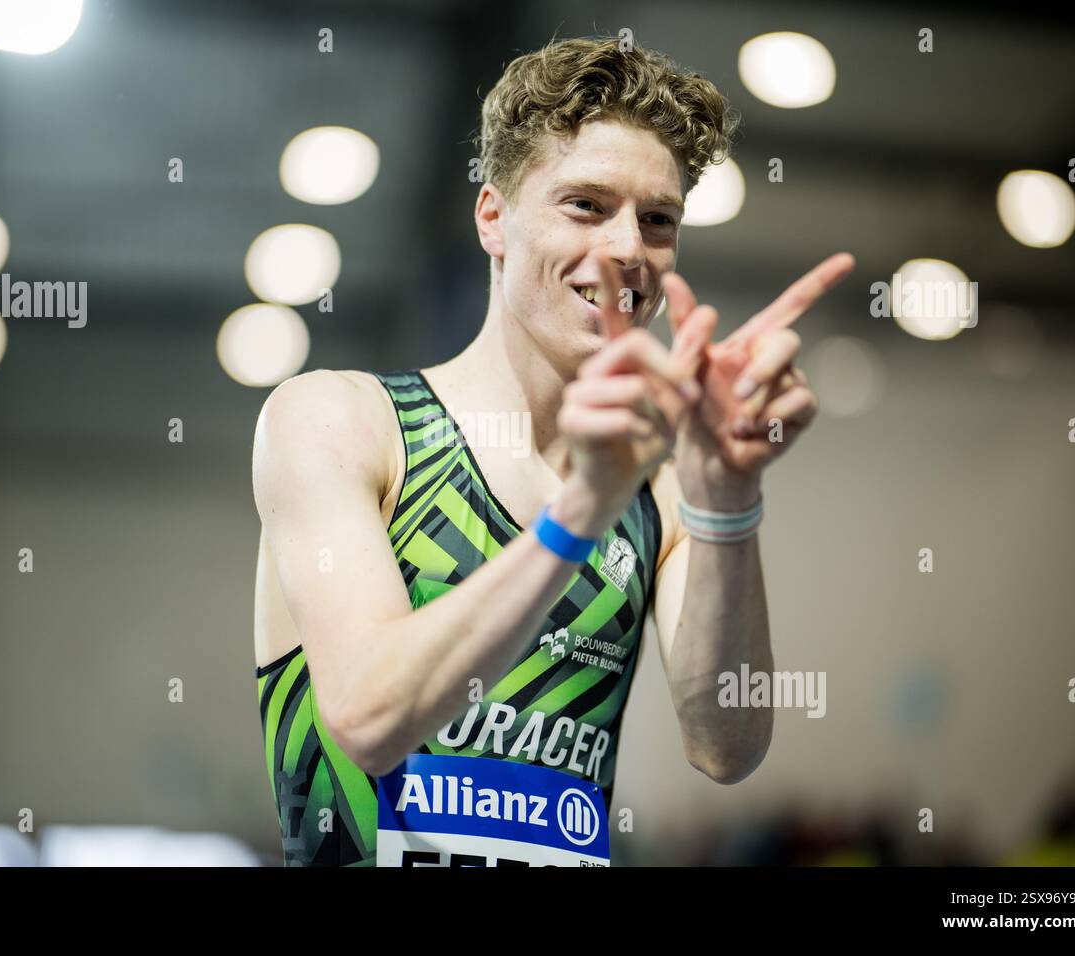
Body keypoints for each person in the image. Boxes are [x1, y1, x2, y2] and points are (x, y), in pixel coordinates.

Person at [251, 35, 854, 866]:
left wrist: (726, 501)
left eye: (658, 220)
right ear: (493, 218)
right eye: (585, 205)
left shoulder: (663, 501)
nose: (626, 249)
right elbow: (364, 716)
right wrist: (578, 513)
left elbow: (728, 746)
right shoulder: (341, 420)